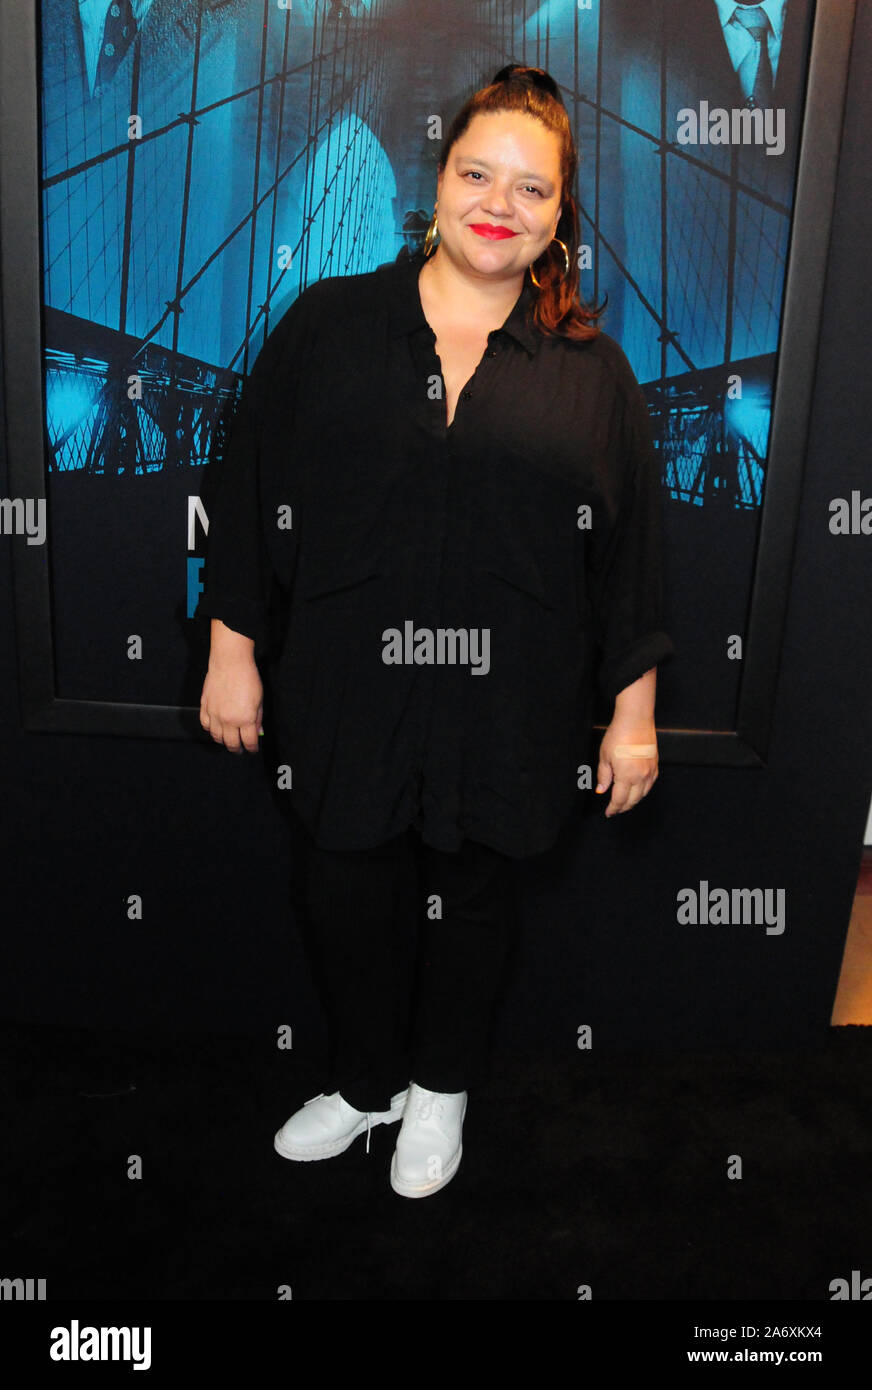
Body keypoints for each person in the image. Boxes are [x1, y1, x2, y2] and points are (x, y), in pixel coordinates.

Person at [195, 64, 676, 1199]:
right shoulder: (327, 325)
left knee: (471, 902)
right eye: (477, 173)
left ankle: (442, 1090)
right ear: (440, 175)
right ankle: (367, 1087)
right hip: (343, 692)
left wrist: (634, 714)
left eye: (530, 188)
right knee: (342, 891)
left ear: (559, 215)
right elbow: (250, 482)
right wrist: (230, 646)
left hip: (510, 709)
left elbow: (634, 553)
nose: (497, 203)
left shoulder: (591, 372)